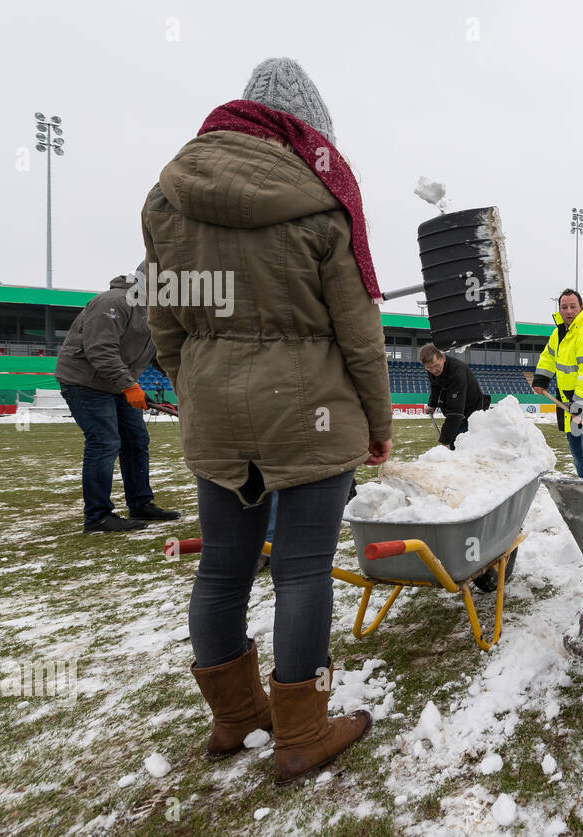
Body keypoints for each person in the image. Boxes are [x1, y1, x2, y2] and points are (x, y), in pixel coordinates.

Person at [143, 57, 391, 784]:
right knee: (303, 569)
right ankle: (301, 733)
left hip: (217, 413)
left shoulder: (165, 201)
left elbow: (165, 325)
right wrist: (377, 419)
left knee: (221, 570)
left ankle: (233, 719)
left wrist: (203, 393)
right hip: (308, 415)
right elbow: (359, 332)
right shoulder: (320, 202)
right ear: (307, 131)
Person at [55, 273, 182, 532]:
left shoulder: (151, 310)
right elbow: (100, 350)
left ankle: (140, 503)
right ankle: (97, 516)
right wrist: (129, 385)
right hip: (85, 382)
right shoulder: (113, 302)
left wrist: (179, 376)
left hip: (116, 384)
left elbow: (156, 352)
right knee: (104, 443)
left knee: (136, 441)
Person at [530, 289, 583, 477]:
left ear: (582, 308)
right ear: (559, 310)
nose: (568, 311)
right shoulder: (559, 333)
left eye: (572, 307)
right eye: (564, 307)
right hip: (571, 398)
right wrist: (541, 379)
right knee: (577, 450)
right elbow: (548, 357)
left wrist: (580, 404)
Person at [422, 343, 489, 448]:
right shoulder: (433, 369)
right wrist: (432, 404)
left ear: (443, 358)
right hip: (458, 412)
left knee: (459, 446)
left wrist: (445, 441)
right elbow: (436, 386)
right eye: (429, 368)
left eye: (436, 366)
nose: (433, 371)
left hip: (471, 414)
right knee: (453, 442)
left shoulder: (457, 372)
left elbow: (455, 411)